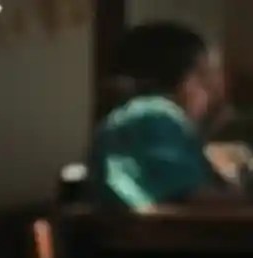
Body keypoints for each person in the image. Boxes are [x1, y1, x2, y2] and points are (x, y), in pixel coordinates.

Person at [88, 22, 244, 211]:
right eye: (207, 77)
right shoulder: (153, 116)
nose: (213, 94)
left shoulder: (138, 118)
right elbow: (189, 197)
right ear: (188, 81)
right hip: (158, 238)